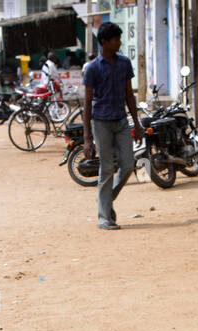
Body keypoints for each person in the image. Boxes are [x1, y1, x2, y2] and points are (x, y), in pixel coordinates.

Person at [82, 22, 142, 231]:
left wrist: (137, 123)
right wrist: (87, 138)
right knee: (106, 168)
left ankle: (106, 201)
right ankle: (104, 218)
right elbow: (87, 103)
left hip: (121, 121)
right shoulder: (92, 68)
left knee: (128, 165)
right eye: (116, 39)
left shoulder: (124, 63)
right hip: (101, 123)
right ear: (105, 42)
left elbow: (129, 95)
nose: (120, 43)